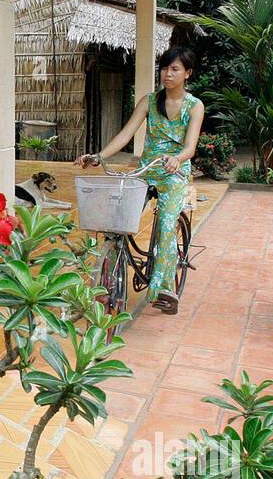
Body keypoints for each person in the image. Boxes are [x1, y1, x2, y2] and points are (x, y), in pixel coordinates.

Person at [76, 46, 205, 314]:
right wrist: (99, 156)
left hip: (174, 173)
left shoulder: (194, 106)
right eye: (165, 68)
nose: (167, 74)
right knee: (119, 213)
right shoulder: (149, 101)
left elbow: (190, 147)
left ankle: (163, 289)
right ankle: (115, 259)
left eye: (174, 69)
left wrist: (177, 159)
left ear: (187, 74)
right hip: (146, 170)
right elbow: (125, 135)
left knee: (168, 224)